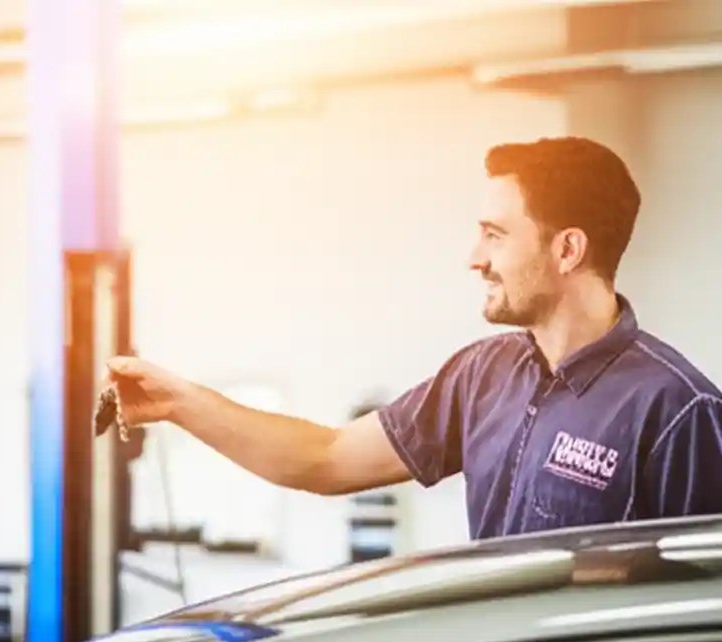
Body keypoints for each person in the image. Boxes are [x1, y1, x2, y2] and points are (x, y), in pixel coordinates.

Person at [105, 136, 722, 539]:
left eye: (495, 235)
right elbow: (326, 458)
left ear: (567, 250)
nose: (474, 257)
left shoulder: (677, 411)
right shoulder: (483, 376)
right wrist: (181, 403)